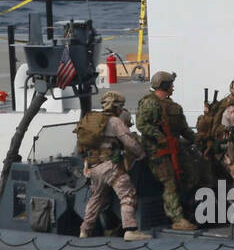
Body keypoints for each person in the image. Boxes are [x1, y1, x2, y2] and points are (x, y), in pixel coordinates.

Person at [78, 91, 150, 241]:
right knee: (127, 194)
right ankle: (130, 230)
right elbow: (130, 143)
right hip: (110, 167)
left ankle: (84, 231)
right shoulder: (115, 122)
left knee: (96, 198)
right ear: (117, 107)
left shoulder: (91, 120)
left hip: (93, 167)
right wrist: (142, 154)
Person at [135, 71, 199, 231]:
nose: (173, 87)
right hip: (158, 152)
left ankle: (187, 208)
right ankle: (177, 218)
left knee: (192, 175)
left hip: (175, 148)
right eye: (171, 84)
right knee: (169, 182)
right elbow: (142, 125)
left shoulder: (174, 106)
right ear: (165, 85)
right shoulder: (149, 103)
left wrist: (198, 139)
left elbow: (183, 129)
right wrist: (159, 137)